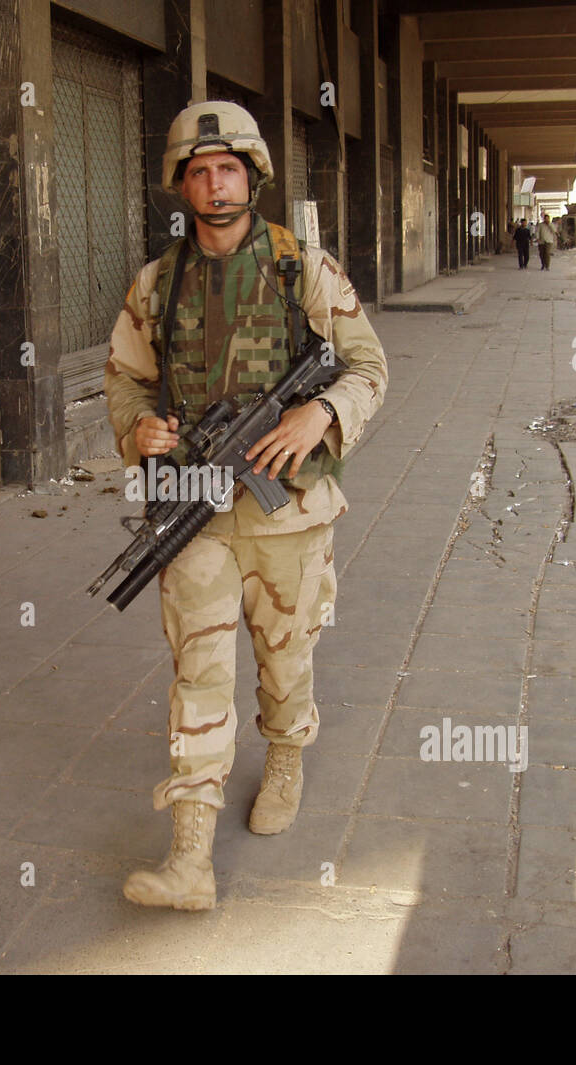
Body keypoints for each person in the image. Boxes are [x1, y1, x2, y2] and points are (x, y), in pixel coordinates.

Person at [103, 101, 388, 911]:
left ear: (252, 175)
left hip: (287, 512)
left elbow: (368, 366)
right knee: (198, 668)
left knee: (285, 657)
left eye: (227, 167)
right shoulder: (157, 284)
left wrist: (321, 414)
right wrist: (140, 429)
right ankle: (190, 853)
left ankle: (287, 751)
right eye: (198, 171)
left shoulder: (304, 269)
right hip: (191, 506)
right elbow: (123, 376)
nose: (213, 182)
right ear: (181, 185)